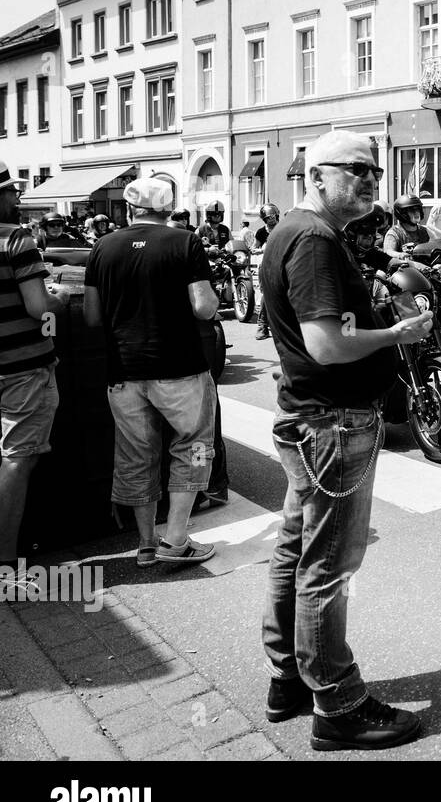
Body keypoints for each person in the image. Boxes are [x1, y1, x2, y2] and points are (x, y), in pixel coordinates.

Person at [258, 131, 432, 749]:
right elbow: (326, 345)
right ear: (316, 174)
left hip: (312, 416)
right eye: (357, 170)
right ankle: (338, 702)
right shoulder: (312, 238)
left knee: (295, 547)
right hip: (333, 421)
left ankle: (289, 677)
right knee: (328, 564)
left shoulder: (304, 232)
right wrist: (398, 335)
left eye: (376, 172)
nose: (370, 181)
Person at [83, 176, 219, 569]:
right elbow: (205, 308)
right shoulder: (185, 241)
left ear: (130, 209)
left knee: (136, 456)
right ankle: (175, 540)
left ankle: (146, 544)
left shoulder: (102, 247)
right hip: (180, 371)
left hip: (123, 373)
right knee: (194, 446)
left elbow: (93, 316)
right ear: (168, 208)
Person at [0, 163, 67, 588]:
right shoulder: (15, 238)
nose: (17, 199)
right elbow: (37, 307)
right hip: (21, 371)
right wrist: (57, 298)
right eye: (10, 191)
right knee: (15, 463)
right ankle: (6, 569)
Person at [252, 203, 281, 340]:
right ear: (264, 219)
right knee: (267, 294)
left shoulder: (283, 228)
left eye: (274, 216)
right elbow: (254, 247)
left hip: (284, 263)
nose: (272, 219)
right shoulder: (261, 232)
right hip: (267, 265)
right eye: (269, 217)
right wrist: (260, 249)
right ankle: (262, 325)